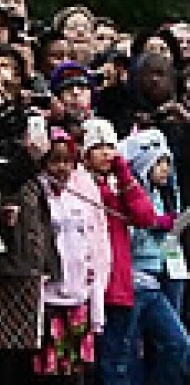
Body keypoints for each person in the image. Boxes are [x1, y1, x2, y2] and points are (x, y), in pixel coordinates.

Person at [80, 119, 158, 384]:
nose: (106, 153)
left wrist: (123, 174)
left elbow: (146, 217)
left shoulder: (118, 185)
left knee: (117, 361)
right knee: (100, 365)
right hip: (92, 287)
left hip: (120, 286)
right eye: (98, 147)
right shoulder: (83, 186)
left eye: (111, 147)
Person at [33, 130, 108, 384]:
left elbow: (93, 247)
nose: (62, 168)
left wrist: (95, 298)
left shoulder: (81, 196)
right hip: (49, 296)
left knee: (76, 371)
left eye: (68, 161)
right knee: (48, 371)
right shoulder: (38, 194)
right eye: (55, 160)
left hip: (78, 296)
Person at [119, 129, 190, 384]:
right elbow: (127, 237)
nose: (165, 170)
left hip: (159, 277)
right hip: (134, 280)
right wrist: (152, 224)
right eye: (159, 163)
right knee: (128, 353)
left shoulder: (165, 194)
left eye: (168, 163)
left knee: (177, 344)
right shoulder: (130, 194)